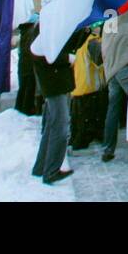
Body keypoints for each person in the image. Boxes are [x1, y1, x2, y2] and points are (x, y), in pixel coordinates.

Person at [30, 18, 88, 185]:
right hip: (54, 86)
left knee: (51, 127)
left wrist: (83, 31)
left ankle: (41, 167)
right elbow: (47, 55)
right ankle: (51, 171)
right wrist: (67, 59)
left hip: (57, 84)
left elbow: (68, 46)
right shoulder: (43, 30)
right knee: (60, 127)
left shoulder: (48, 27)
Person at [100, 6, 128, 161]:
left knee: (113, 109)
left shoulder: (109, 21)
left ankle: (108, 149)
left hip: (111, 70)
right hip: (123, 67)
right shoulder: (122, 18)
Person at [69, 25, 107, 149]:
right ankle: (81, 142)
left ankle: (77, 139)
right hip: (89, 87)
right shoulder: (93, 42)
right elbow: (100, 60)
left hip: (79, 85)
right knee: (87, 118)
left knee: (79, 118)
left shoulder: (81, 41)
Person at [14, 18, 41, 116]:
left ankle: (20, 106)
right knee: (29, 87)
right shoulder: (32, 32)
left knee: (23, 86)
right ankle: (27, 108)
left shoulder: (25, 31)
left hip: (24, 63)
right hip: (29, 63)